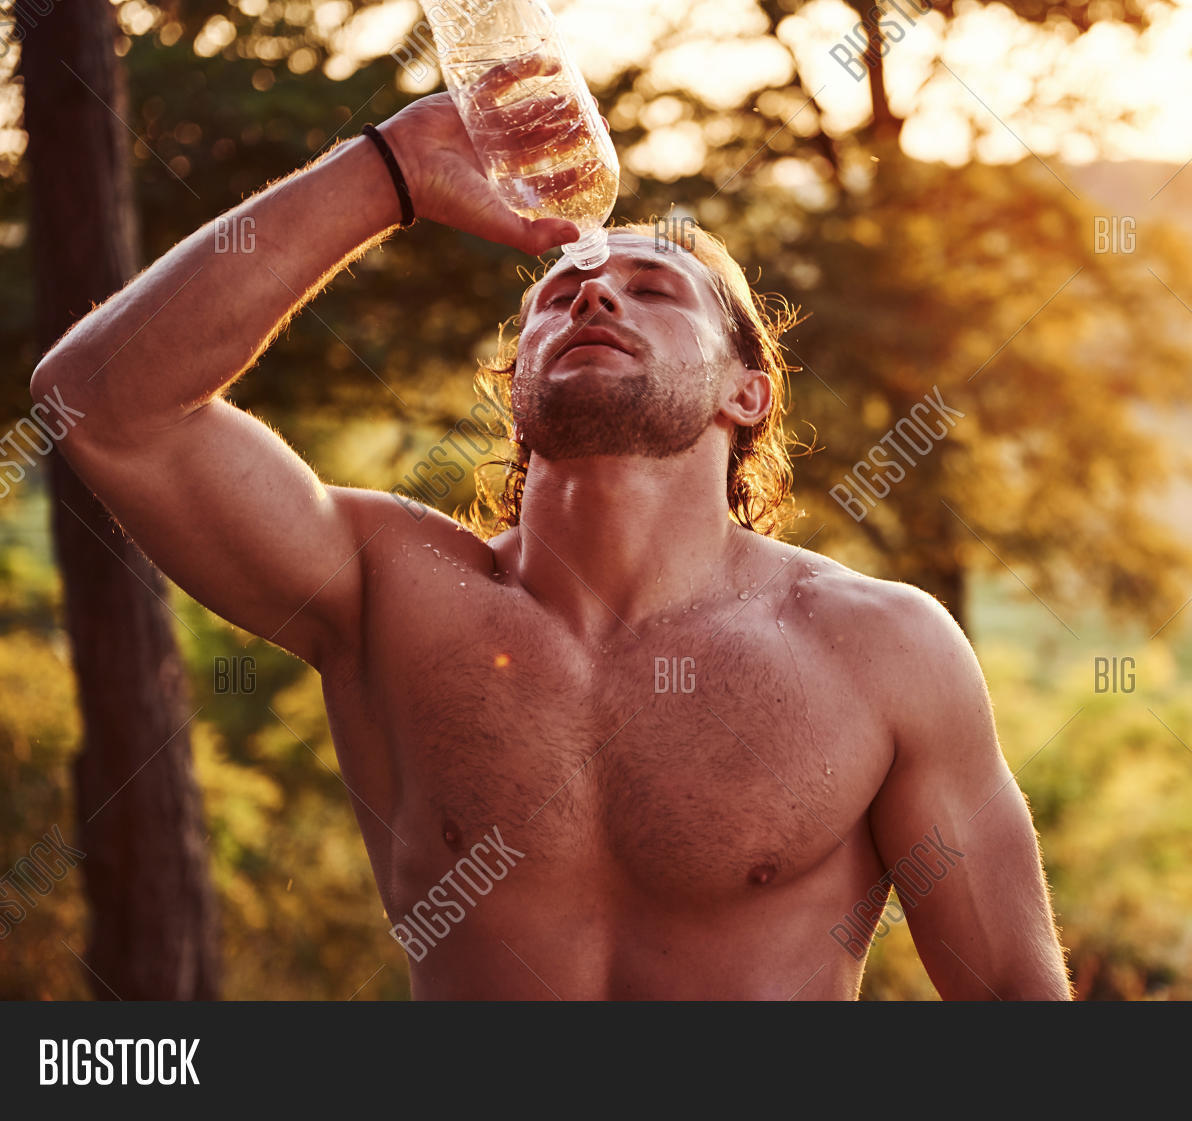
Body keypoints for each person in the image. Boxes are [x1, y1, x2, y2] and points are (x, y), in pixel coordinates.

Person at [30, 91, 1072, 1000]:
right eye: (555, 298)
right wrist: (390, 167)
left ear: (747, 393)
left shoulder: (883, 648)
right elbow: (105, 404)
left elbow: (1017, 1003)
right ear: (516, 392)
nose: (595, 293)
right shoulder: (389, 588)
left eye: (655, 289)